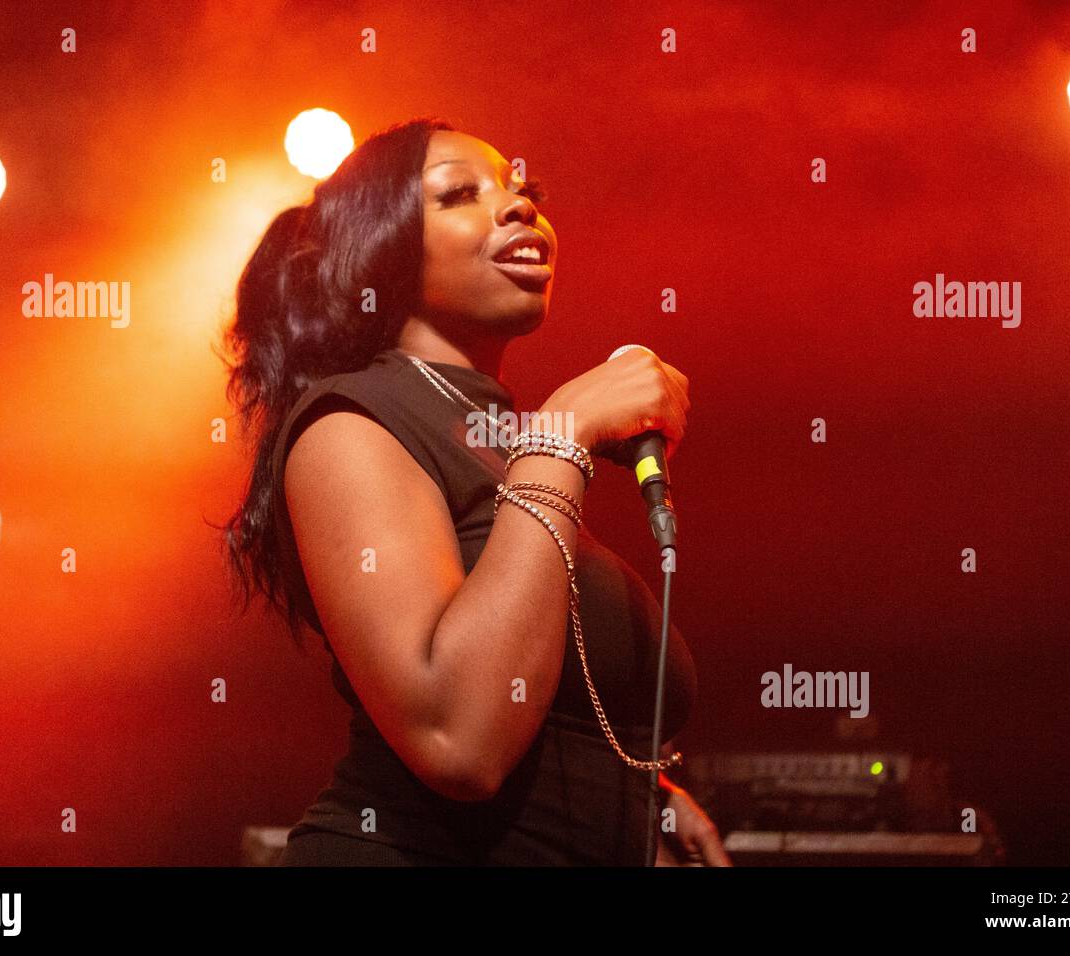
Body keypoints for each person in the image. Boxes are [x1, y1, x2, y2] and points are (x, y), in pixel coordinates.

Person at [219, 117, 730, 866]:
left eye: (526, 191)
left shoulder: (504, 449)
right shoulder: (351, 418)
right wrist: (562, 433)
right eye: (459, 193)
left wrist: (642, 796)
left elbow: (551, 697)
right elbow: (458, 740)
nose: (521, 205)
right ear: (378, 249)